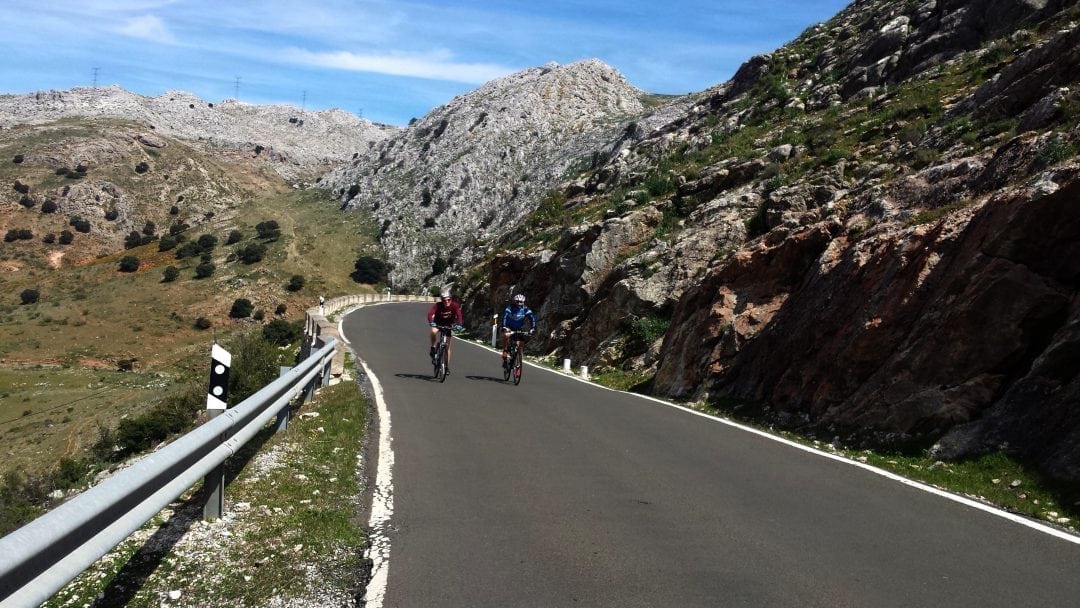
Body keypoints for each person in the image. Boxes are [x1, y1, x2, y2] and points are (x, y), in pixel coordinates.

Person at [427, 291, 463, 374]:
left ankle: (446, 367)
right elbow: (430, 313)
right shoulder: (438, 305)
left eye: (449, 300)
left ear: (451, 299)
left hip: (448, 325)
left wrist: (459, 324)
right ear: (442, 300)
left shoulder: (455, 305)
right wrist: (431, 321)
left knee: (447, 347)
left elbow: (459, 315)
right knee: (433, 332)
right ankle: (433, 348)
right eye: (444, 300)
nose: (447, 302)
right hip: (437, 323)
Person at [500, 293, 537, 361]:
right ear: (514, 301)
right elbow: (505, 317)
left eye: (521, 302)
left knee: (521, 343)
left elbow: (532, 319)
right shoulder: (510, 307)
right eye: (517, 301)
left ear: (523, 302)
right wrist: (504, 326)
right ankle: (505, 350)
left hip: (518, 327)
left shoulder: (526, 309)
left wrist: (533, 328)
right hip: (508, 326)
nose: (519, 303)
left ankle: (518, 357)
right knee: (506, 335)